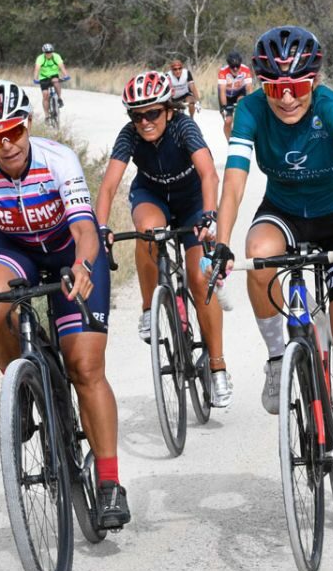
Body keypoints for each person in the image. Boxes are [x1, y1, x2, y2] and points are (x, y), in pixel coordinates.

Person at [207, 25, 333, 514]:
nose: (287, 99)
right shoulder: (249, 110)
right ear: (260, 84)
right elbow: (234, 184)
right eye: (275, 88)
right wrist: (220, 245)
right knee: (257, 259)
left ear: (316, 80)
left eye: (298, 87)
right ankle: (275, 360)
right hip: (284, 212)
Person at [0, 79, 129, 529]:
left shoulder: (57, 159)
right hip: (15, 245)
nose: (6, 144)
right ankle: (21, 386)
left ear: (27, 125)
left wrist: (82, 265)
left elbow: (83, 227)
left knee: (84, 367)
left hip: (69, 248)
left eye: (14, 131)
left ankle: (109, 481)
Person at [94, 71, 234, 407]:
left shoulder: (184, 127)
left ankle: (217, 367)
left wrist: (210, 215)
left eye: (152, 113)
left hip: (191, 202)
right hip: (152, 195)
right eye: (137, 115)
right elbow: (109, 186)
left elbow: (208, 174)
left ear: (168, 110)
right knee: (149, 233)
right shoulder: (129, 135)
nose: (145, 122)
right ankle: (148, 308)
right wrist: (99, 227)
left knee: (200, 280)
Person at [216, 50, 254, 140]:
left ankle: (240, 127)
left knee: (241, 101)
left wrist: (252, 102)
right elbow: (222, 91)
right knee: (228, 121)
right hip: (226, 96)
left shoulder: (246, 70)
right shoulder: (223, 72)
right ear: (229, 65)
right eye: (233, 67)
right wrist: (224, 107)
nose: (235, 69)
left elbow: (249, 88)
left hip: (239, 93)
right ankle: (229, 142)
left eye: (237, 66)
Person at [33, 43, 70, 112]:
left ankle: (59, 98)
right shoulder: (40, 58)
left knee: (56, 82)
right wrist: (35, 78)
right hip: (43, 77)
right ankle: (46, 116)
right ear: (44, 53)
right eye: (47, 52)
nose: (48, 54)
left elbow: (61, 67)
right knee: (45, 95)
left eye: (50, 52)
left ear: (52, 52)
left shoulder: (56, 56)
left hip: (54, 75)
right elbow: (37, 69)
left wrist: (66, 75)